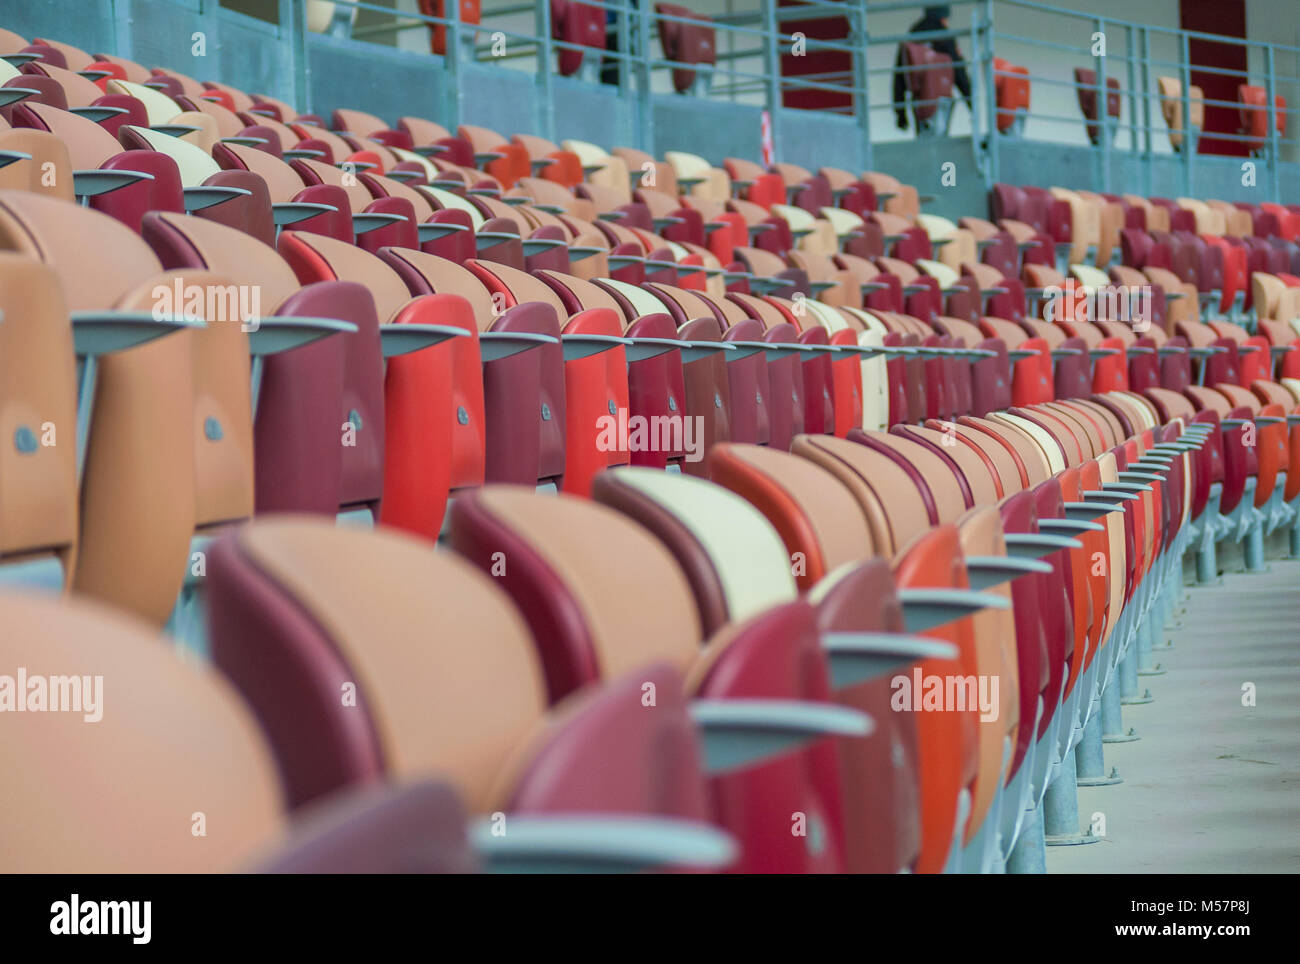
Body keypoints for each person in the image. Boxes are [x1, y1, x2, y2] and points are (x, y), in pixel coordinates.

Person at [893, 4, 973, 131]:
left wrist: (900, 114)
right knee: (940, 137)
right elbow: (959, 72)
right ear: (943, 16)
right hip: (941, 98)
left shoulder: (913, 34)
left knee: (924, 136)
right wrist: (971, 103)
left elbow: (900, 76)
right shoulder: (944, 35)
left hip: (919, 101)